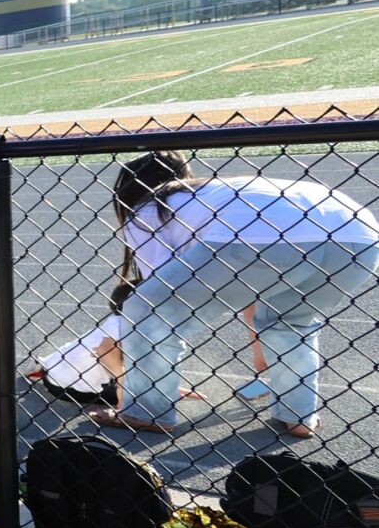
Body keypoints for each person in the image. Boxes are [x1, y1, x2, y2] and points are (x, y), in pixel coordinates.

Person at [90, 152, 379, 438]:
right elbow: (250, 280)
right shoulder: (212, 192)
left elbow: (161, 295)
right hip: (358, 236)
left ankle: (147, 412)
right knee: (289, 323)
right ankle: (299, 417)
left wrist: (145, 376)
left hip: (264, 238)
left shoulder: (148, 207)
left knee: (148, 308)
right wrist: (259, 347)